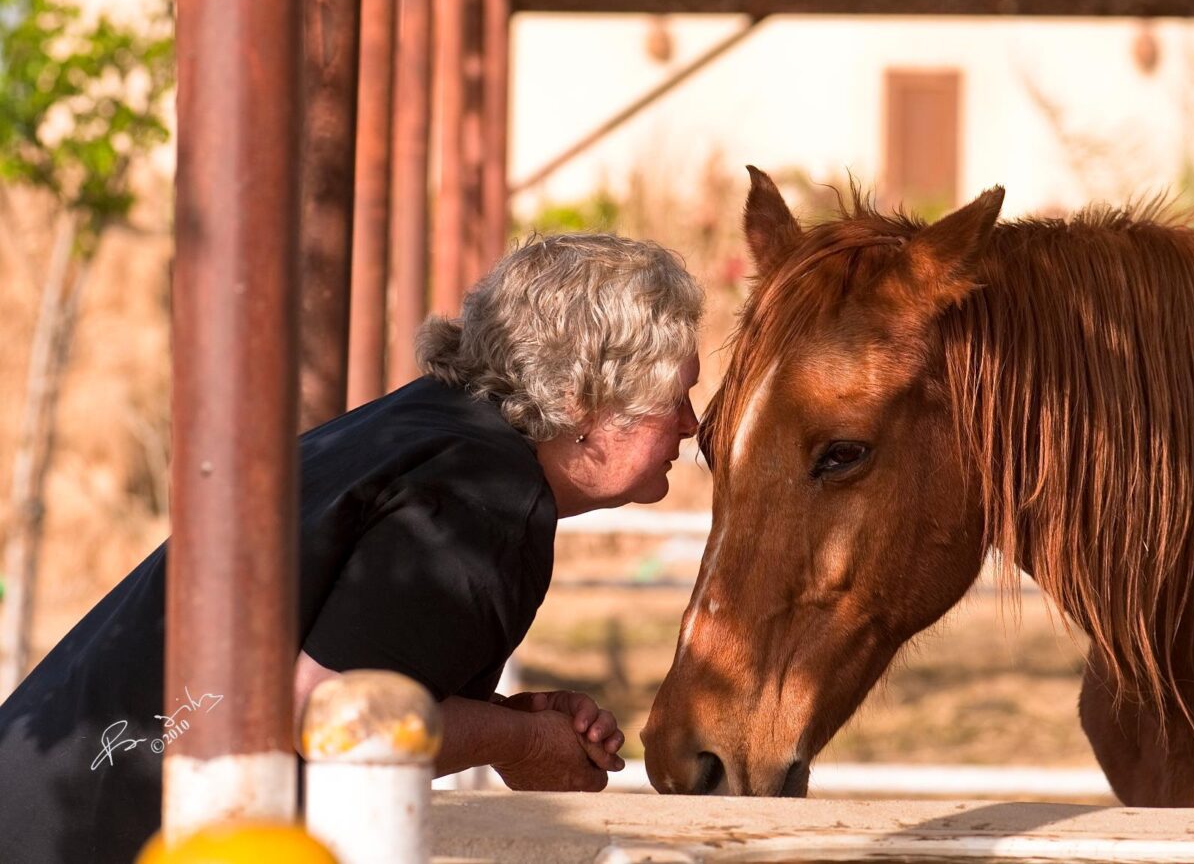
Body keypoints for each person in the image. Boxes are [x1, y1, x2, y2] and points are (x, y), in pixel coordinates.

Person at [0, 233, 705, 864]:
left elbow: (333, 679)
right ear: (585, 399)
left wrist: (502, 720)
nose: (690, 425)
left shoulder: (427, 428)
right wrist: (513, 743)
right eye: (676, 395)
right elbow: (327, 711)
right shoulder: (487, 495)